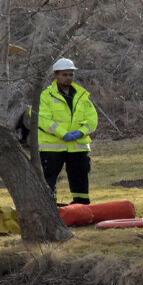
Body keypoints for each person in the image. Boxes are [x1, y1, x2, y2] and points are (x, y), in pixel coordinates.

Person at [36, 58, 98, 204]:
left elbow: (92, 119)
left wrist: (81, 132)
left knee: (80, 177)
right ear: (56, 75)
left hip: (78, 146)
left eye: (70, 74)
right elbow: (44, 120)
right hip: (52, 147)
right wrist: (63, 134)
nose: (68, 77)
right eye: (64, 74)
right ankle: (48, 206)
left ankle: (82, 206)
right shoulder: (46, 96)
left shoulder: (82, 95)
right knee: (48, 178)